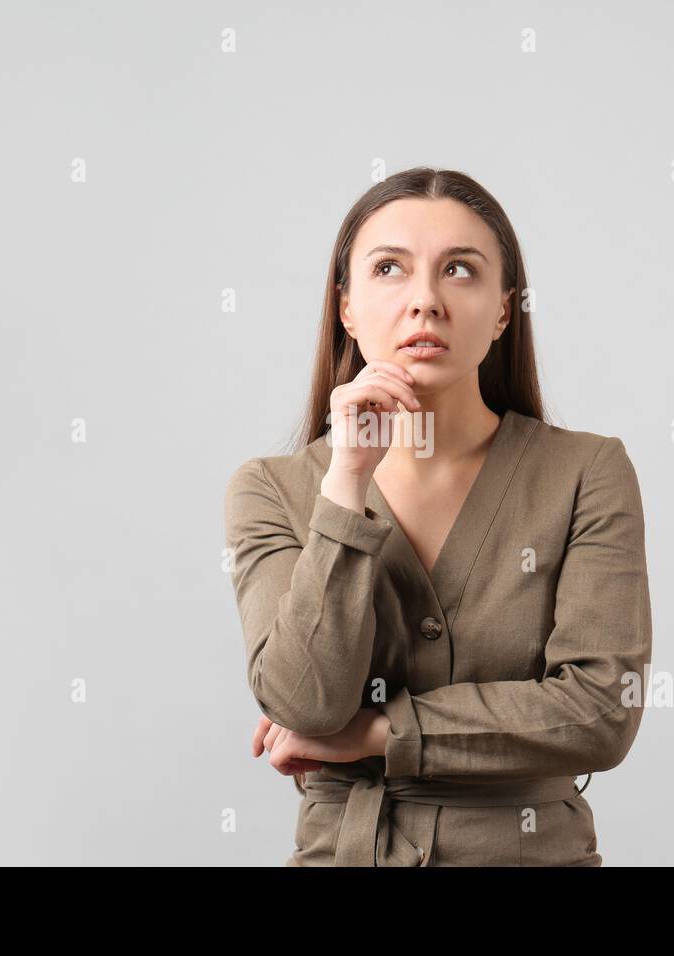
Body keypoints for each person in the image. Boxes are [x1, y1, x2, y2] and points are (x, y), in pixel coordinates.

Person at [224, 166, 652, 866]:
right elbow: (305, 703)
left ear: (504, 310)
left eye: (459, 270)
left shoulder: (587, 472)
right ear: (346, 307)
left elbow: (602, 712)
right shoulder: (272, 490)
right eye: (389, 268)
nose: (425, 300)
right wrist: (347, 482)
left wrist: (378, 734)